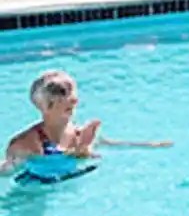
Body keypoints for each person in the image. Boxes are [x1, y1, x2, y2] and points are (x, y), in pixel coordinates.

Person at [2, 70, 171, 184]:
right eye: (62, 95)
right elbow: (7, 170)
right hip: (33, 193)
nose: (73, 100)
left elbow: (114, 145)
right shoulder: (27, 144)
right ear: (45, 106)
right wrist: (76, 155)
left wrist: (151, 145)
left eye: (71, 94)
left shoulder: (81, 134)